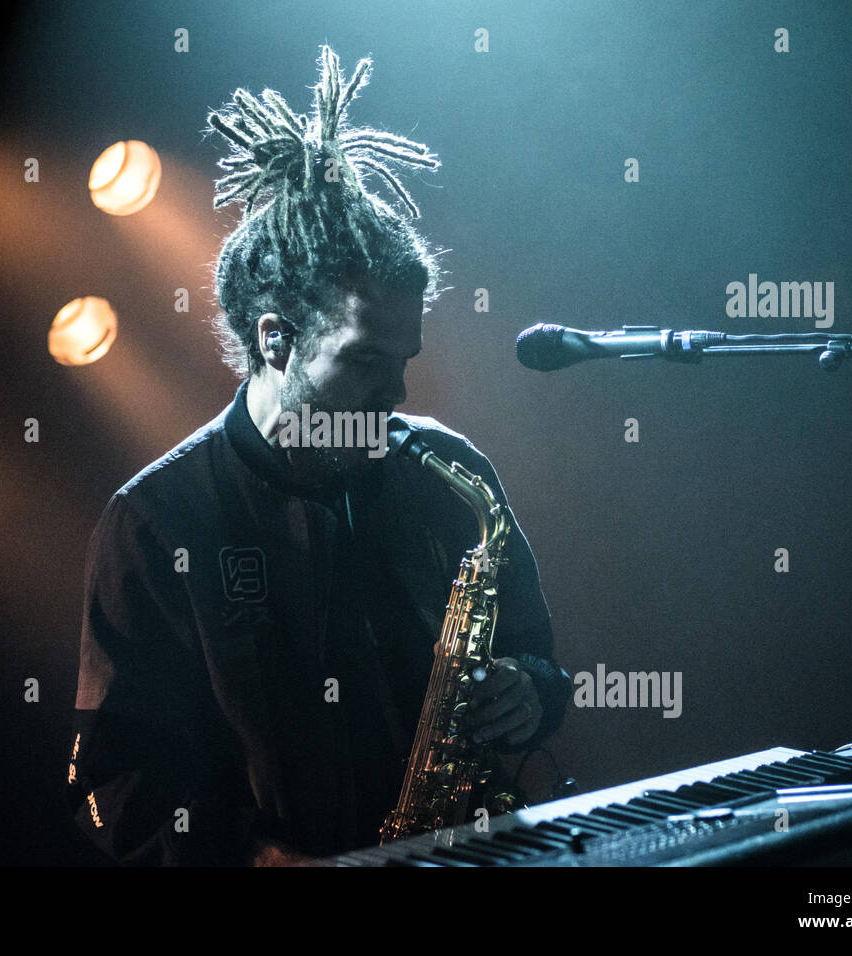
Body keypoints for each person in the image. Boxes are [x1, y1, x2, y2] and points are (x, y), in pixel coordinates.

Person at [67, 45, 573, 866]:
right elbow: (115, 785)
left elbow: (541, 663)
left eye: (404, 361)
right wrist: (260, 859)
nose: (399, 396)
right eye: (367, 363)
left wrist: (530, 691)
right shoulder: (156, 521)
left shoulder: (449, 477)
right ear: (277, 339)